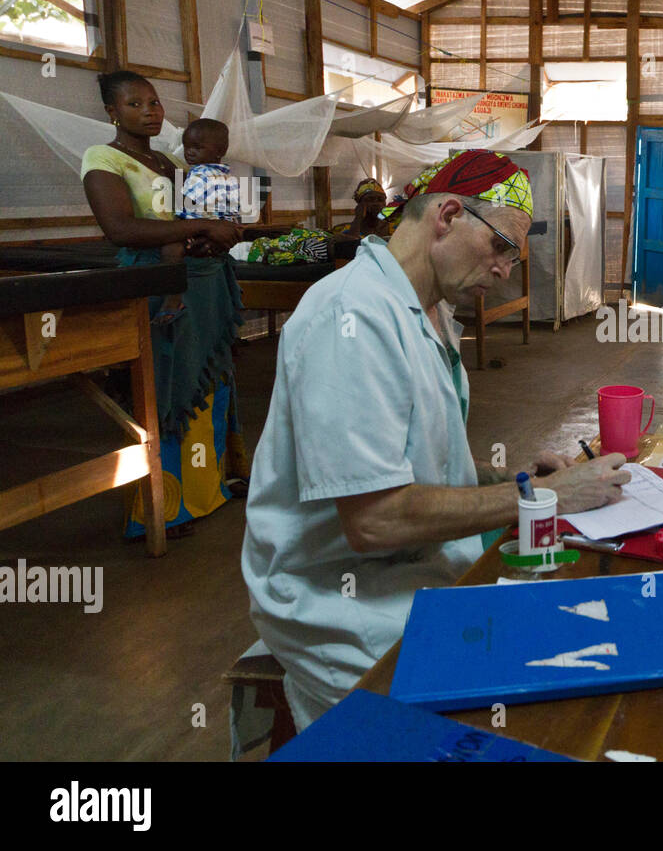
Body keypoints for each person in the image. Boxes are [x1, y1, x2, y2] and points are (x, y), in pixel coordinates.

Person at [241, 150, 630, 730]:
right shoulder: (353, 318)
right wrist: (547, 500)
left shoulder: (429, 311)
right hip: (341, 599)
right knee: (550, 696)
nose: (505, 270)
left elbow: (421, 457)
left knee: (582, 639)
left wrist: (520, 479)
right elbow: (374, 519)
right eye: (503, 246)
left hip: (408, 568)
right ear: (447, 216)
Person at [81, 71, 250, 537]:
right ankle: (167, 504)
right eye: (135, 104)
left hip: (201, 279)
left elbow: (199, 216)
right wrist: (199, 232)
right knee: (168, 386)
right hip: (155, 285)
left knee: (209, 380)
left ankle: (208, 486)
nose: (150, 111)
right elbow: (121, 228)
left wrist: (218, 232)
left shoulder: (174, 162)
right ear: (112, 112)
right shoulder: (103, 158)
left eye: (154, 103)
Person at [154, 119, 244, 321]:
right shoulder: (228, 177)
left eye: (197, 147)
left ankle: (173, 299)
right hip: (220, 231)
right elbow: (234, 209)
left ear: (219, 150)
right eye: (186, 146)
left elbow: (186, 207)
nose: (189, 152)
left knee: (170, 248)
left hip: (200, 228)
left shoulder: (198, 174)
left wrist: (174, 223)